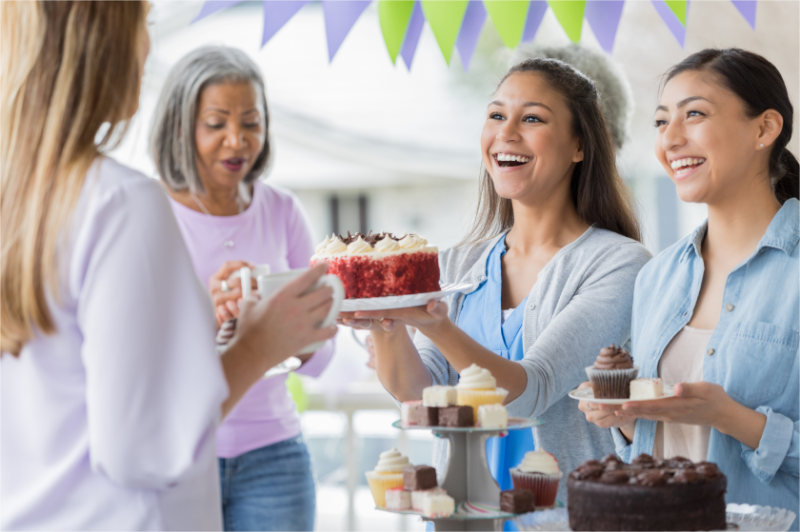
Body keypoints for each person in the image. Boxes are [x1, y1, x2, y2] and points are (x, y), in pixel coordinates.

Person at [0, 3, 336, 531]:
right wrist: (255, 345)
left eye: (251, 122)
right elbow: (144, 448)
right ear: (102, 44)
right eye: (144, 27)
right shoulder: (121, 203)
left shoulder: (22, 197)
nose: (149, 49)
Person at [342, 58, 651, 517]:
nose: (506, 133)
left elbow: (531, 391)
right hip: (463, 517)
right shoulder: (456, 263)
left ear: (579, 146)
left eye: (531, 118)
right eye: (495, 115)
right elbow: (419, 391)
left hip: (566, 520)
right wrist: (386, 320)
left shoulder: (618, 263)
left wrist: (435, 325)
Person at [580, 48, 800, 528]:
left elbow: (721, 423)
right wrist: (625, 418)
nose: (671, 139)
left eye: (694, 114)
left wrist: (730, 416)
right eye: (661, 122)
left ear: (765, 129)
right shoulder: (657, 278)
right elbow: (670, 441)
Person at [150, 46, 333, 532]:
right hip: (183, 453)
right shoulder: (147, 212)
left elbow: (321, 357)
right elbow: (133, 362)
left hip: (275, 454)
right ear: (180, 126)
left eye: (251, 122)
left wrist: (297, 327)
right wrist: (207, 318)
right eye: (216, 124)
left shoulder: (281, 209)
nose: (237, 141)